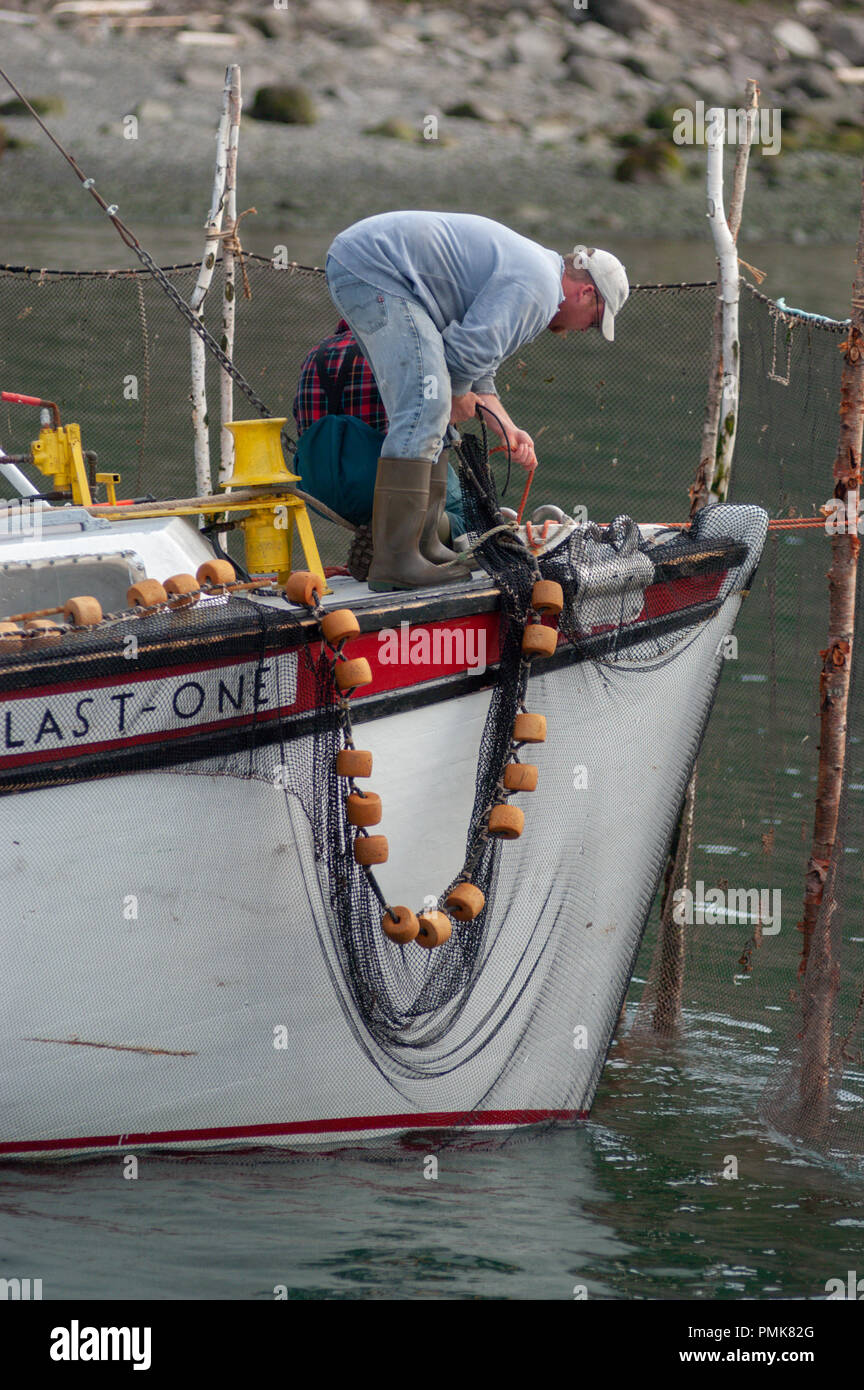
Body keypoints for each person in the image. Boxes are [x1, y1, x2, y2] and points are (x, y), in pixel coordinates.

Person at [325, 211, 629, 592]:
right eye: (594, 320)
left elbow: (481, 363)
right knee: (426, 407)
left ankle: (423, 545)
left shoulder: (536, 276)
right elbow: (465, 356)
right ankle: (395, 562)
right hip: (375, 268)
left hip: (365, 263)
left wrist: (505, 425)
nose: (585, 330)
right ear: (586, 293)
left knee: (432, 408)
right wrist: (456, 394)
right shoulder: (538, 289)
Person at [291, 318, 466, 551]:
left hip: (318, 489)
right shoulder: (401, 352)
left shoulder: (315, 353)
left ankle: (387, 532)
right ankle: (397, 534)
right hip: (378, 486)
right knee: (469, 517)